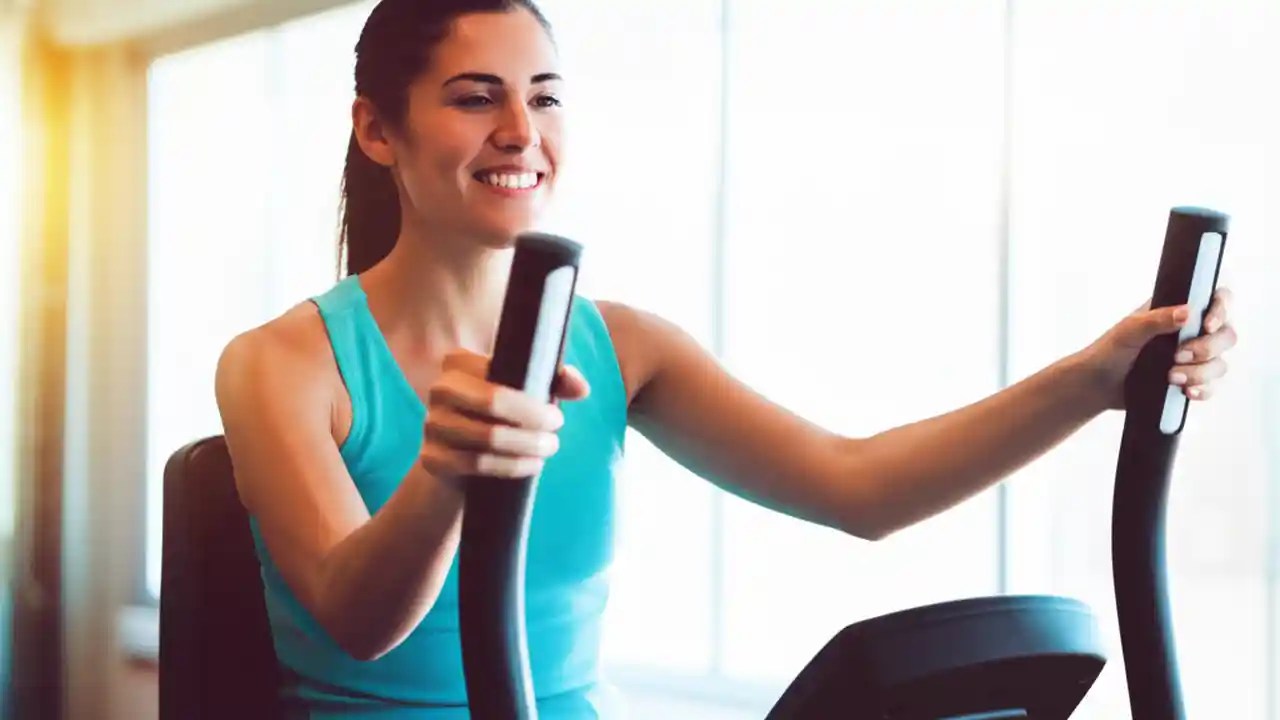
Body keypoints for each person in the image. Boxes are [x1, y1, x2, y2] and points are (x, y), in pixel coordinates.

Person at [213, 0, 1240, 717]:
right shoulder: (280, 364)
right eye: (474, 97)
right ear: (377, 129)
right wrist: (446, 468)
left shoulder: (625, 346)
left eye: (546, 95)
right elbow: (355, 620)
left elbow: (858, 486)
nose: (520, 130)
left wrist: (1089, 381)